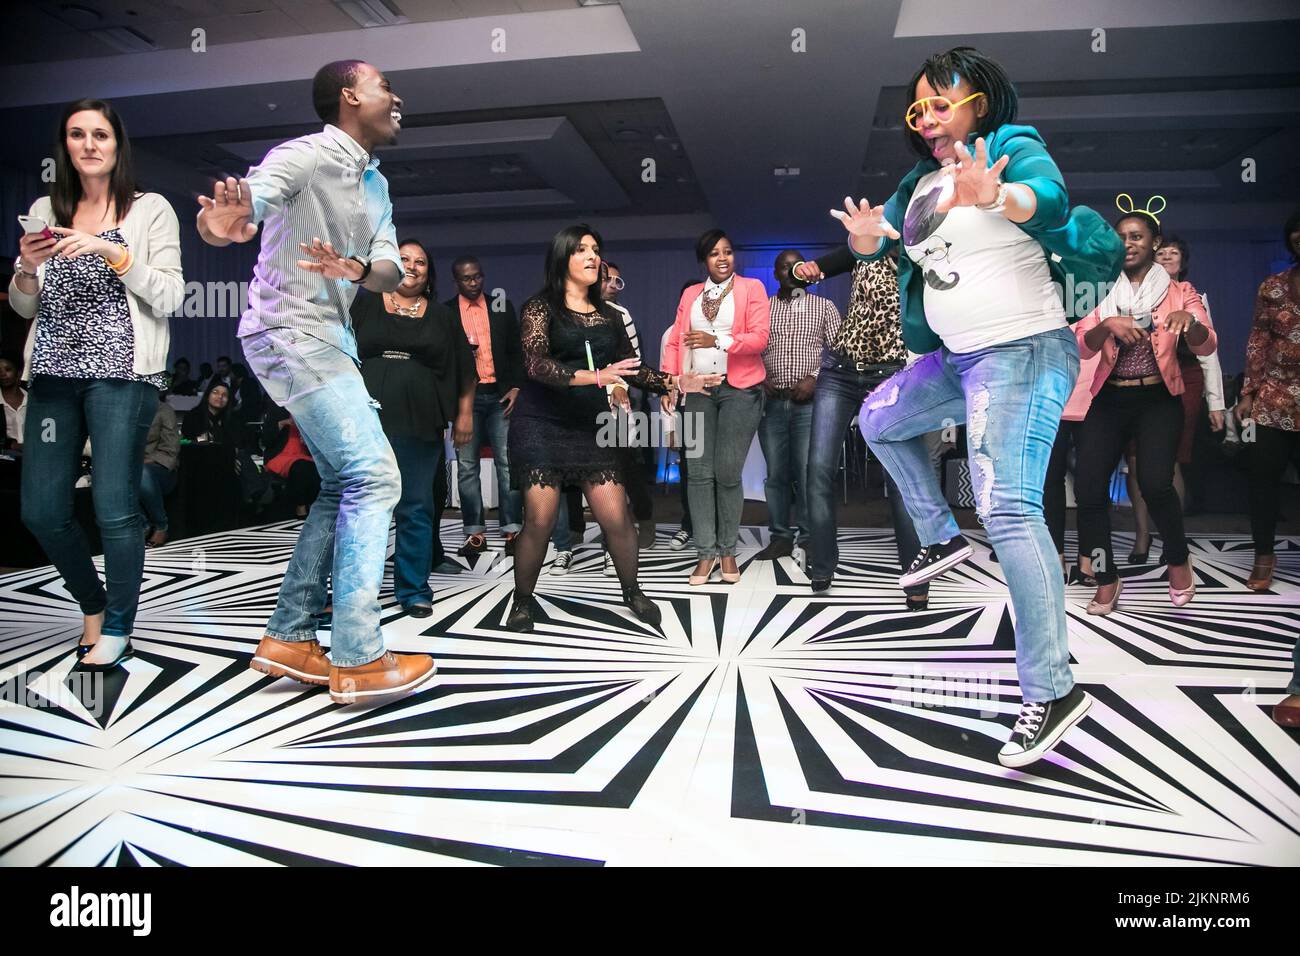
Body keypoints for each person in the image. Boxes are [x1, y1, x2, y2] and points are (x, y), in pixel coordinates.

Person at [840, 47, 1124, 767]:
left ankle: (1052, 689)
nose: (929, 117)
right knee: (877, 419)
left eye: (943, 102)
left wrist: (997, 196)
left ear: (980, 105)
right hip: (956, 358)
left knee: (1008, 507)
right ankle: (938, 535)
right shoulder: (918, 183)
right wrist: (872, 242)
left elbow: (1048, 202)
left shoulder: (1009, 147)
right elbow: (903, 250)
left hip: (1021, 349)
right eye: (919, 108)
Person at [197, 58, 434, 704]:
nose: (397, 96)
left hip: (329, 342)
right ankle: (358, 656)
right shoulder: (301, 157)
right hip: (289, 333)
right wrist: (226, 221)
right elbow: (248, 203)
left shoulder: (377, 186)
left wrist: (356, 267)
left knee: (341, 484)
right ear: (351, 95)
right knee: (377, 475)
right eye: (385, 86)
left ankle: (289, 635)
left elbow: (389, 272)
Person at [9, 97, 184, 671]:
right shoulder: (43, 208)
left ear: (117, 145)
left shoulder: (149, 209)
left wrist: (114, 253)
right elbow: (22, 305)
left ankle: (117, 625)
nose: (89, 144)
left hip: (121, 376)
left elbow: (171, 295)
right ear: (65, 146)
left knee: (113, 508)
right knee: (41, 509)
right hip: (54, 376)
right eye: (77, 134)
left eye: (101, 135)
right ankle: (93, 601)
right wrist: (28, 269)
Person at [506, 224, 717, 631]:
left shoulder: (609, 316)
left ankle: (632, 590)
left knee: (617, 517)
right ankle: (522, 599)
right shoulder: (540, 307)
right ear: (563, 258)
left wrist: (675, 381)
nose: (592, 256)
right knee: (540, 520)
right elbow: (536, 366)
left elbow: (632, 369)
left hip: (589, 426)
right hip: (541, 423)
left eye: (596, 249)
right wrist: (597, 376)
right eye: (582, 249)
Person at [1072, 206, 1216, 615]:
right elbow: (1084, 343)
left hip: (1158, 400)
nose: (1128, 243)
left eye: (1137, 236)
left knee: (1155, 484)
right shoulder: (1100, 288)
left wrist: (1191, 321)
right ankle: (1105, 577)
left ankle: (1177, 558)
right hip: (1110, 399)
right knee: (1088, 489)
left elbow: (1207, 345)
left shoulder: (1180, 291)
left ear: (1155, 243)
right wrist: (1108, 327)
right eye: (1121, 237)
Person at [791, 246, 942, 609]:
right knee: (819, 469)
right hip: (840, 372)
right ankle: (822, 563)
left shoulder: (926, 262)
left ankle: (915, 575)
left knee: (901, 479)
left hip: (892, 375)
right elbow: (810, 270)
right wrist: (803, 269)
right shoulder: (863, 252)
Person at [352, 238, 476, 616]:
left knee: (416, 505)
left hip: (421, 419)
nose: (412, 266)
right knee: (361, 507)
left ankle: (413, 589)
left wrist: (465, 415)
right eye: (403, 259)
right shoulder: (365, 301)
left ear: (429, 272)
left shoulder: (442, 316)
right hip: (366, 418)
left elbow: (465, 371)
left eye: (420, 261)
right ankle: (355, 591)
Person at [661, 230, 771, 586]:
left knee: (726, 472)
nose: (722, 258)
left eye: (727, 251)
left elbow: (759, 338)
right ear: (703, 260)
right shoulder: (692, 295)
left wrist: (717, 340)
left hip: (740, 390)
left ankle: (727, 550)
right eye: (713, 253)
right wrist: (669, 382)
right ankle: (705, 553)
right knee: (697, 473)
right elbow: (677, 341)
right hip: (697, 391)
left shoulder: (752, 288)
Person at [1124, 232, 1227, 560]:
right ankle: (1142, 535)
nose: (1167, 257)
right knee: (1136, 460)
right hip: (1140, 380)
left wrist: (1217, 402)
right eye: (1162, 252)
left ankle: (1172, 537)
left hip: (1187, 377)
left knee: (1172, 460)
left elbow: (1209, 352)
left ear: (1183, 261)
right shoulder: (1133, 292)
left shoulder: (1191, 295)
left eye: (1174, 253)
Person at [756, 250, 840, 561]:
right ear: (775, 274)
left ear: (806, 271)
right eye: (784, 267)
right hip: (772, 404)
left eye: (797, 266)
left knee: (807, 473)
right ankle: (779, 536)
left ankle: (808, 536)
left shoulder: (824, 307)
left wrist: (815, 378)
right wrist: (758, 374)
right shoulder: (761, 309)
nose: (791, 271)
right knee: (776, 474)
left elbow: (838, 352)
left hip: (809, 404)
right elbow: (750, 349)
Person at [1236, 205, 1300, 592]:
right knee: (1262, 479)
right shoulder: (1273, 286)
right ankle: (1264, 555)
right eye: (1295, 231)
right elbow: (1258, 341)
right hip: (1274, 397)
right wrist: (1248, 392)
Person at [445, 255, 525, 557]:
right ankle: (474, 533)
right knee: (467, 468)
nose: (474, 282)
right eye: (467, 278)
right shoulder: (446, 313)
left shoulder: (500, 306)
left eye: (478, 276)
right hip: (466, 399)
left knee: (508, 465)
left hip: (501, 395)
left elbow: (517, 351)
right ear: (456, 281)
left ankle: (512, 531)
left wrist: (517, 386)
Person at [262, 403, 320, 518]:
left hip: (304, 453)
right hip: (280, 455)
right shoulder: (277, 408)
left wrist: (308, 440)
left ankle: (316, 508)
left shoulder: (310, 412)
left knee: (318, 468)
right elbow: (266, 440)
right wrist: (282, 423)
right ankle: (300, 507)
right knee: (301, 467)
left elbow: (318, 442)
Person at [139, 389, 179, 548]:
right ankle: (142, 525)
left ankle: (161, 525)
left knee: (139, 472)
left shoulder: (163, 410)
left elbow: (171, 450)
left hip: (160, 469)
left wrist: (142, 461)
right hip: (130, 468)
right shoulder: (125, 411)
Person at [1, 355, 28, 452]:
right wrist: (13, 445)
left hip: (33, 458)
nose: (2, 374)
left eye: (7, 369)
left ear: (19, 373)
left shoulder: (33, 402)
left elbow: (49, 435)